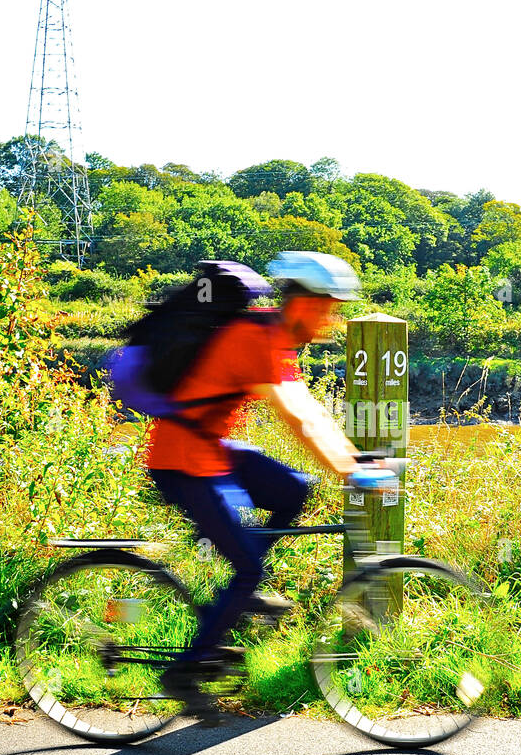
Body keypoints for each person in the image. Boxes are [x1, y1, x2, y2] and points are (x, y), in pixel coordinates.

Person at [144, 251, 369, 715]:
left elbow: (312, 410)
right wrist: (351, 472)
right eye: (330, 305)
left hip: (212, 450)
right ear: (304, 303)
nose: (333, 317)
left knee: (294, 489)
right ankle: (183, 672)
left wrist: (354, 457)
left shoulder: (274, 337)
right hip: (180, 461)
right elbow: (297, 421)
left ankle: (237, 598)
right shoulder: (254, 338)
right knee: (249, 570)